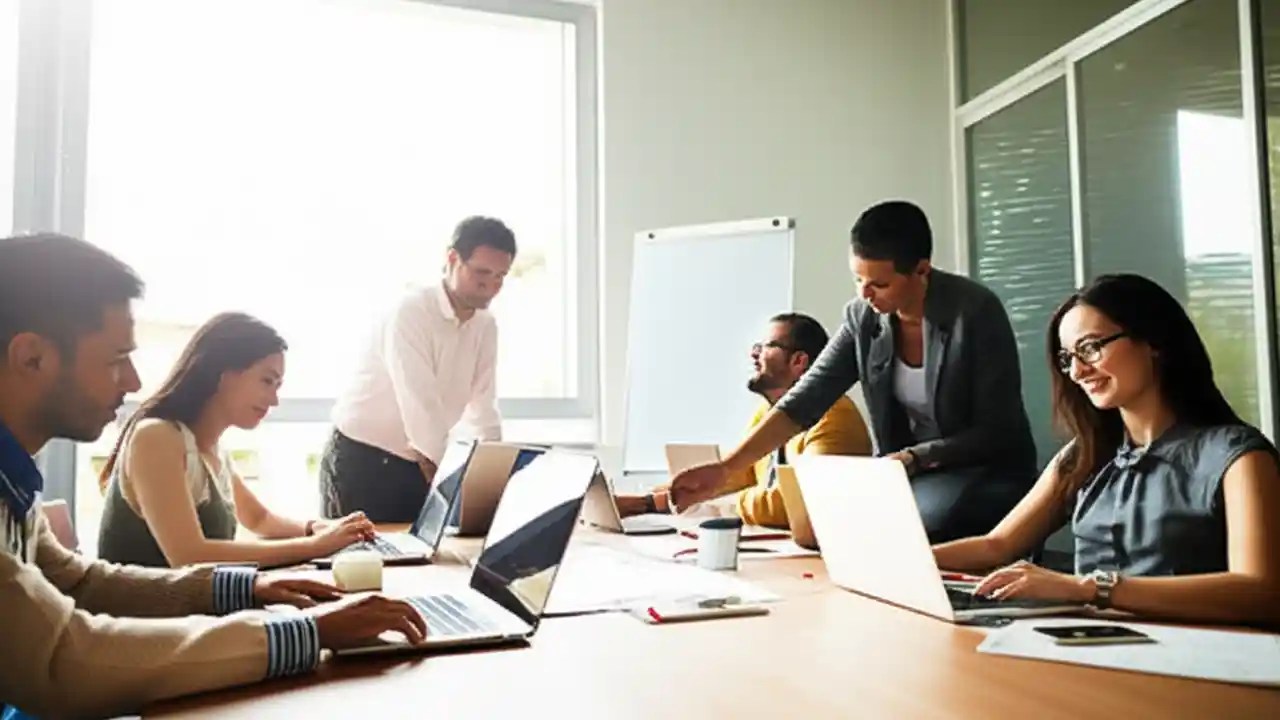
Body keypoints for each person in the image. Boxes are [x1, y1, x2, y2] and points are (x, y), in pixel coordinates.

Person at [0, 234, 426, 719]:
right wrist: (307, 631)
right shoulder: (159, 436)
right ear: (31, 357)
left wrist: (244, 587)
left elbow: (78, 581)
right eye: (117, 359)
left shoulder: (14, 483)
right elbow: (65, 663)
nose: (135, 381)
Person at [669, 201, 1038, 543]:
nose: (865, 294)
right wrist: (725, 468)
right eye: (857, 279)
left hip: (982, 467)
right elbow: (802, 402)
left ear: (921, 271)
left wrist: (916, 457)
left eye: (879, 284)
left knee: (909, 524)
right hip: (907, 472)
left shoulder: (974, 312)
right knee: (835, 525)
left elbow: (996, 431)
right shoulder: (862, 317)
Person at [933, 274, 1280, 626]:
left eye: (1091, 348)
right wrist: (907, 561)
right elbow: (997, 545)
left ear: (1153, 340)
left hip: (1197, 655)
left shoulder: (1239, 458)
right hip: (1090, 644)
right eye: (1068, 358)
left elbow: (1261, 591)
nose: (1078, 372)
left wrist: (1090, 589)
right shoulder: (1085, 454)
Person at [97, 312, 375, 568]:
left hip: (190, 613)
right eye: (267, 381)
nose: (274, 400)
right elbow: (189, 556)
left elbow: (259, 519)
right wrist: (315, 547)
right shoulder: (157, 437)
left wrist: (317, 528)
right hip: (147, 618)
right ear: (224, 375)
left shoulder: (209, 448)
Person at [321, 216, 516, 522]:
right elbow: (419, 407)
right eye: (481, 272)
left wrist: (494, 480)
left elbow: (483, 408)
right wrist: (454, 486)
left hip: (419, 461)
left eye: (500, 276)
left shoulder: (485, 325)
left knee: (424, 561)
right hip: (364, 459)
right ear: (452, 259)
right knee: (368, 559)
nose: (490, 285)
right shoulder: (412, 313)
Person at [615, 313, 871, 528]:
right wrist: (646, 502)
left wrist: (714, 508)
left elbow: (804, 503)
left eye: (766, 347)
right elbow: (735, 477)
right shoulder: (766, 413)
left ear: (798, 361)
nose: (753, 354)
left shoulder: (835, 416)